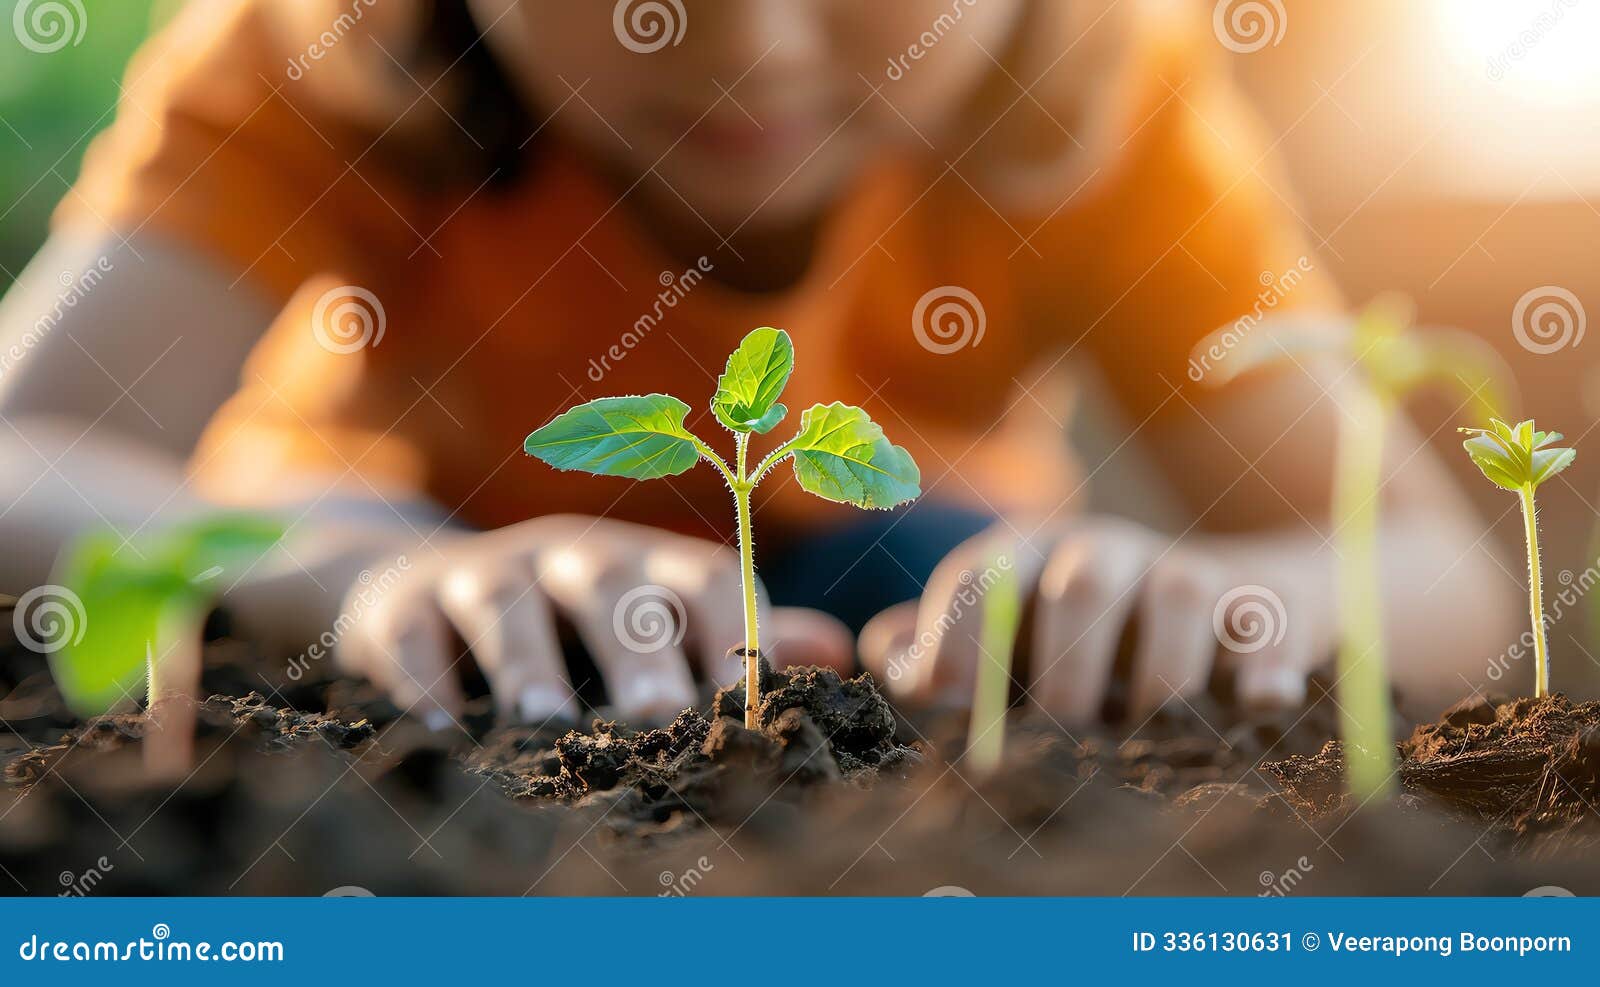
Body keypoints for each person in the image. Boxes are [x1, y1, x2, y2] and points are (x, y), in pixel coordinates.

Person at [0, 0, 1515, 733]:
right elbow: (23, 461)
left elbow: (1445, 580)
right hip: (424, 590)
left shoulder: (1112, 99)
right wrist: (345, 567)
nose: (756, 50)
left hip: (904, 608)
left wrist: (1203, 605)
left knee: (935, 575)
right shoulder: (323, 51)